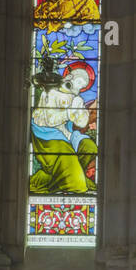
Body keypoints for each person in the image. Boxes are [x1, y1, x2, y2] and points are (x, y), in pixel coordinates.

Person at [30, 62, 98, 194]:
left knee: (89, 148)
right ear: (70, 77)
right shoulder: (51, 91)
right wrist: (68, 113)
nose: (78, 87)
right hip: (47, 136)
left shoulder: (75, 98)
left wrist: (77, 107)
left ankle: (58, 177)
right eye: (78, 82)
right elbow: (50, 120)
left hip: (66, 133)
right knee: (74, 177)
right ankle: (75, 180)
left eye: (82, 86)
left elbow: (82, 122)